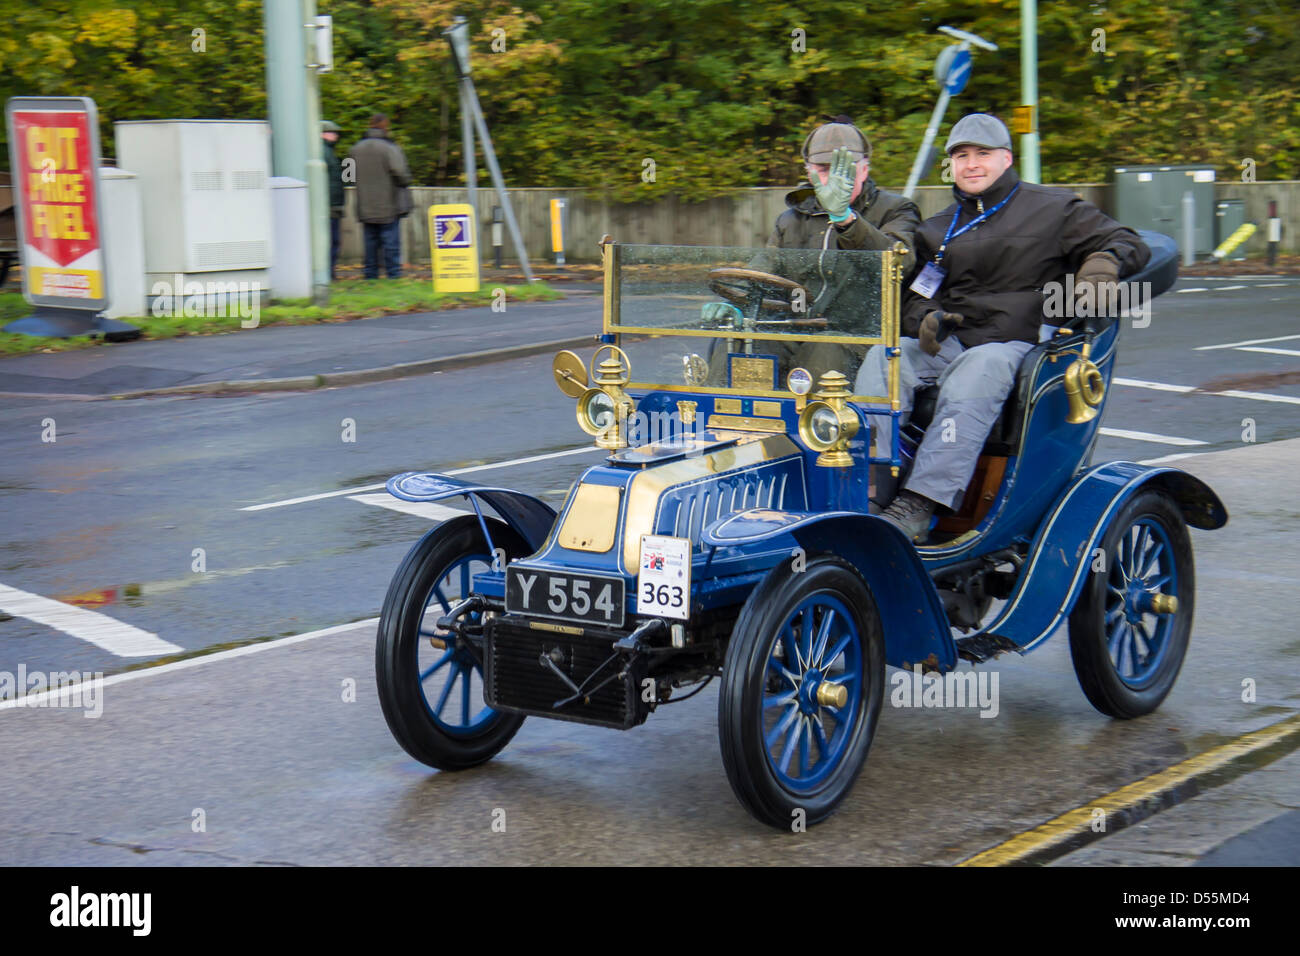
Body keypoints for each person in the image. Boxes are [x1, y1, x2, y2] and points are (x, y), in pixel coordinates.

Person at [856, 113, 1150, 541]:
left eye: (983, 154)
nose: (971, 164)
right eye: (961, 156)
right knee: (885, 357)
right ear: (951, 165)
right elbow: (919, 293)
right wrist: (925, 319)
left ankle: (922, 503)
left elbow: (1127, 242)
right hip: (954, 342)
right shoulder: (938, 228)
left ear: (1007, 158)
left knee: (982, 365)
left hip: (1022, 343)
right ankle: (871, 487)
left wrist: (1102, 264)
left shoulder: (1054, 208)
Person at [701, 116, 920, 384]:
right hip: (792, 329)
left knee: (824, 355)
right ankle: (726, 421)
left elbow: (900, 264)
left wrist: (845, 219)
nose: (835, 179)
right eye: (824, 169)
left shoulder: (895, 210)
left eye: (846, 169)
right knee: (735, 347)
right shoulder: (791, 220)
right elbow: (762, 270)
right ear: (809, 172)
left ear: (865, 170)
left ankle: (814, 426)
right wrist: (733, 304)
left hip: (858, 337)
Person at [348, 113, 411, 279]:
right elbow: (402, 175)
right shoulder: (390, 148)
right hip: (388, 204)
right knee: (390, 242)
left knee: (370, 242)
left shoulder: (354, 149)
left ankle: (370, 275)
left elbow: (347, 177)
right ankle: (393, 274)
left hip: (364, 205)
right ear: (385, 126)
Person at [321, 120, 345, 280]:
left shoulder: (327, 151)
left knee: (331, 240)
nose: (335, 135)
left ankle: (329, 272)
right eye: (332, 132)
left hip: (330, 204)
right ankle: (328, 273)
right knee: (331, 240)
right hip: (328, 205)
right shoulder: (324, 152)